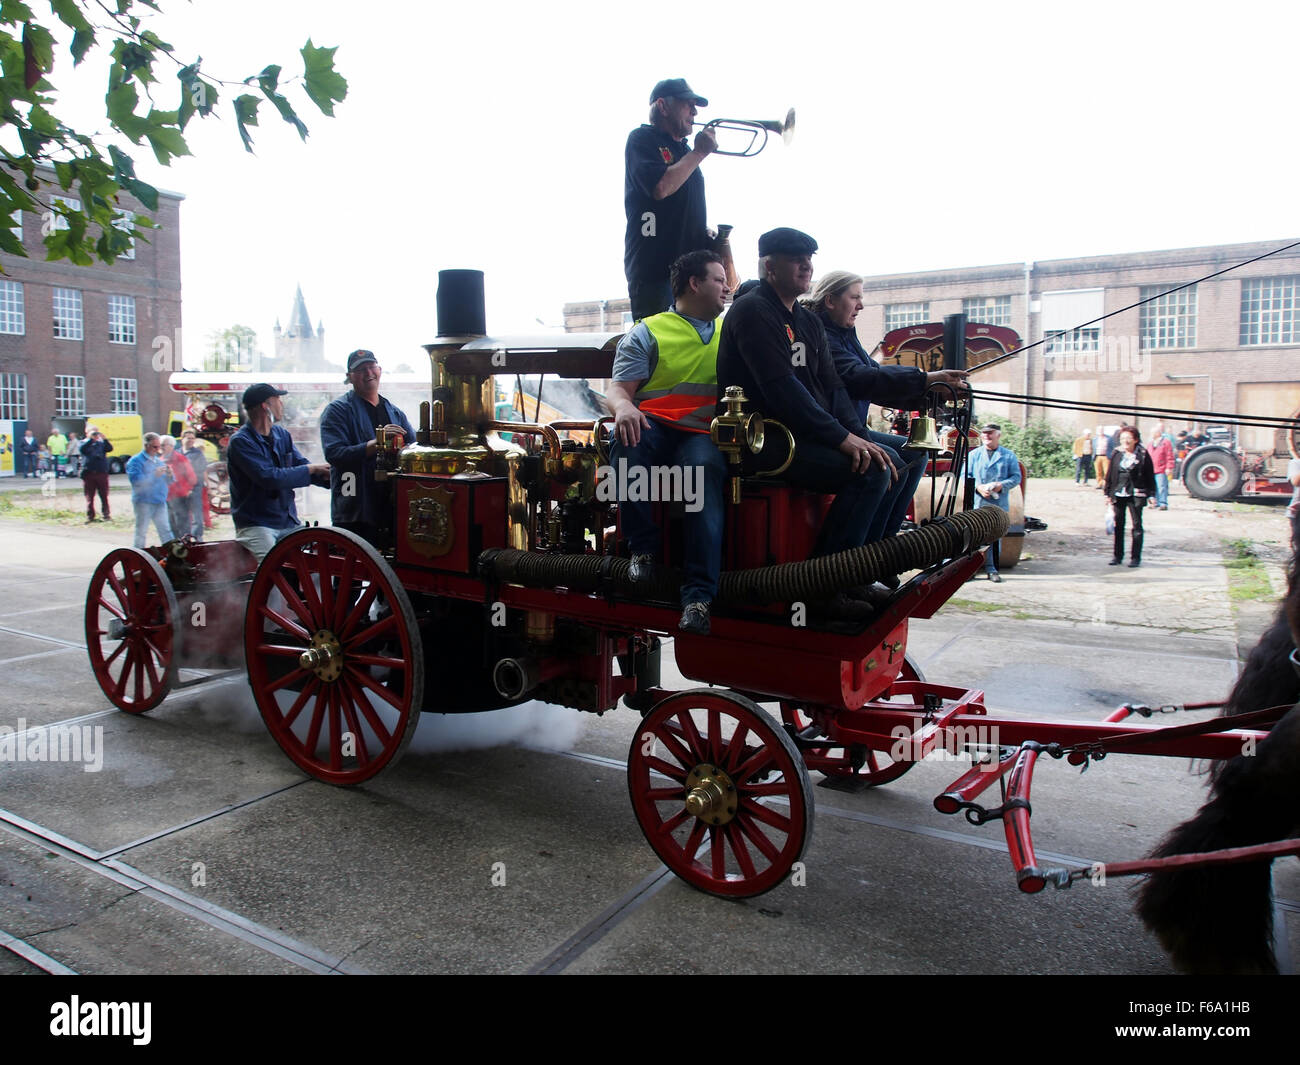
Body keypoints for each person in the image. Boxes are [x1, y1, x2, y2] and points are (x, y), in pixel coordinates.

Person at [716, 228, 897, 586]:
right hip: (764, 439)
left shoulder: (808, 320)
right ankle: (827, 586)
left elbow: (833, 387)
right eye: (796, 260)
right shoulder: (752, 310)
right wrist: (842, 439)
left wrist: (858, 435)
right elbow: (781, 388)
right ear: (770, 267)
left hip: (802, 433)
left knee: (897, 459)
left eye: (809, 259)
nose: (807, 266)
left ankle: (870, 566)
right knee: (873, 472)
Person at [606, 249, 729, 634]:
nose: (727, 288)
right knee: (627, 441)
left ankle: (698, 599)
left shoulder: (731, 331)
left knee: (700, 472)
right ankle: (642, 549)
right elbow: (618, 390)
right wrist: (623, 408)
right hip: (654, 425)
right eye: (719, 280)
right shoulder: (648, 331)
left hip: (703, 433)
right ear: (694, 283)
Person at [805, 270, 968, 544]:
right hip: (833, 432)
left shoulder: (845, 335)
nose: (861, 305)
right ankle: (857, 554)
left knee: (914, 455)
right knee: (886, 464)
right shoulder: (823, 337)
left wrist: (933, 393)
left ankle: (884, 544)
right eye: (854, 297)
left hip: (849, 428)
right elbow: (862, 377)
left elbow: (875, 382)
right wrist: (925, 379)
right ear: (830, 300)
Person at [623, 78, 716, 321]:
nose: (694, 112)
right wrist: (699, 152)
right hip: (656, 272)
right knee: (661, 340)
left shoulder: (684, 151)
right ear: (663, 106)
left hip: (690, 273)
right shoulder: (642, 139)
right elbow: (660, 187)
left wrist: (700, 232)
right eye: (688, 105)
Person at [320, 349, 415, 549]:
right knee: (353, 561)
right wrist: (377, 443)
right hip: (355, 506)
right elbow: (334, 454)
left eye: (371, 367)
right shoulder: (337, 411)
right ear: (349, 377)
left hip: (391, 503)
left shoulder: (395, 412)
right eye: (361, 369)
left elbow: (413, 449)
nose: (368, 373)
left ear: (379, 370)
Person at [226, 383, 330, 561]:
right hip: (257, 525)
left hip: (287, 521)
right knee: (271, 568)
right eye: (278, 400)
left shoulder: (282, 435)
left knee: (316, 563)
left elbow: (300, 464)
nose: (282, 404)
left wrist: (329, 476)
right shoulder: (240, 442)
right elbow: (269, 478)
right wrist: (311, 469)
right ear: (265, 406)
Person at [966, 423, 1021, 583]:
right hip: (978, 503)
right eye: (984, 433)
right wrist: (978, 487)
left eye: (990, 433)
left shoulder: (1008, 456)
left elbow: (1016, 477)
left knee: (995, 537)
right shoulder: (974, 455)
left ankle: (992, 569)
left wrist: (1001, 485)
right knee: (975, 536)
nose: (987, 436)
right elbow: (964, 475)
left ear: (998, 435)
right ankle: (971, 569)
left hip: (998, 505)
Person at [1104, 424, 1156, 568]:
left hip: (1136, 494)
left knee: (1137, 525)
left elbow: (1150, 475)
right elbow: (1110, 474)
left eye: (1128, 438)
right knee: (1119, 525)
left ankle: (1135, 558)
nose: (1125, 441)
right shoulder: (1117, 453)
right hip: (1119, 493)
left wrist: (1152, 494)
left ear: (1135, 440)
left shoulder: (1143, 454)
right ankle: (1117, 556)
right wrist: (1107, 493)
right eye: (1122, 438)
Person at [126, 433, 174, 548]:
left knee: (165, 530)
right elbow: (136, 481)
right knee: (141, 531)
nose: (158, 450)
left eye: (159, 447)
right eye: (154, 447)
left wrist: (170, 475)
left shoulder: (158, 461)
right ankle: (138, 555)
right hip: (144, 501)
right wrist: (154, 475)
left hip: (160, 501)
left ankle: (173, 554)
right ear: (146, 445)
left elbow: (169, 481)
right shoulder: (135, 461)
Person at [160, 435, 198, 542]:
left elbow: (191, 476)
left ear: (171, 446)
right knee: (171, 523)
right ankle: (177, 545)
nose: (161, 447)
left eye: (163, 445)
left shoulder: (180, 458)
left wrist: (188, 489)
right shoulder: (160, 459)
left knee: (183, 524)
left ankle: (186, 545)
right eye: (160, 445)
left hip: (180, 495)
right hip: (167, 496)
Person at [80, 425, 113, 522]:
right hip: (89, 473)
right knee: (89, 496)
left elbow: (109, 448)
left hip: (101, 472)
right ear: (87, 433)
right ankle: (90, 516)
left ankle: (106, 514)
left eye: (96, 432)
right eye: (93, 432)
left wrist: (104, 439)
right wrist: (91, 440)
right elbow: (82, 450)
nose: (95, 434)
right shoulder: (84, 443)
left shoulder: (101, 443)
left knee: (104, 494)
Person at [179, 430, 208, 540]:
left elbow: (202, 470)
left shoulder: (198, 453)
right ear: (182, 439)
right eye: (188, 438)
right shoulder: (177, 453)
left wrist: (207, 484)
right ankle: (185, 538)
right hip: (180, 489)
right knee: (182, 514)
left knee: (197, 514)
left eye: (192, 438)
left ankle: (197, 538)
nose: (191, 440)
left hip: (195, 487)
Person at [1147, 421, 1174, 510]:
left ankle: (1163, 503)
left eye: (1153, 433)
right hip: (1151, 469)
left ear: (1158, 433)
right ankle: (1154, 503)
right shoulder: (1150, 443)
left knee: (1161, 487)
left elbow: (1169, 455)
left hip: (1161, 469)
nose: (1151, 434)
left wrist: (1169, 467)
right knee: (1152, 488)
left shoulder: (1166, 442)